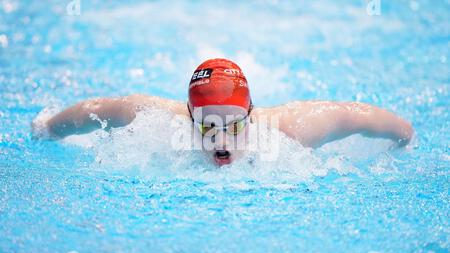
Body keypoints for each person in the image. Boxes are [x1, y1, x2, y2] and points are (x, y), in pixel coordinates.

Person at [33, 58, 413, 166]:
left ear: (251, 114)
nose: (220, 140)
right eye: (207, 125)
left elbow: (356, 115)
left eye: (233, 125)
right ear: (188, 115)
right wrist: (48, 128)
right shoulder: (157, 121)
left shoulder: (290, 130)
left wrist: (403, 135)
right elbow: (97, 110)